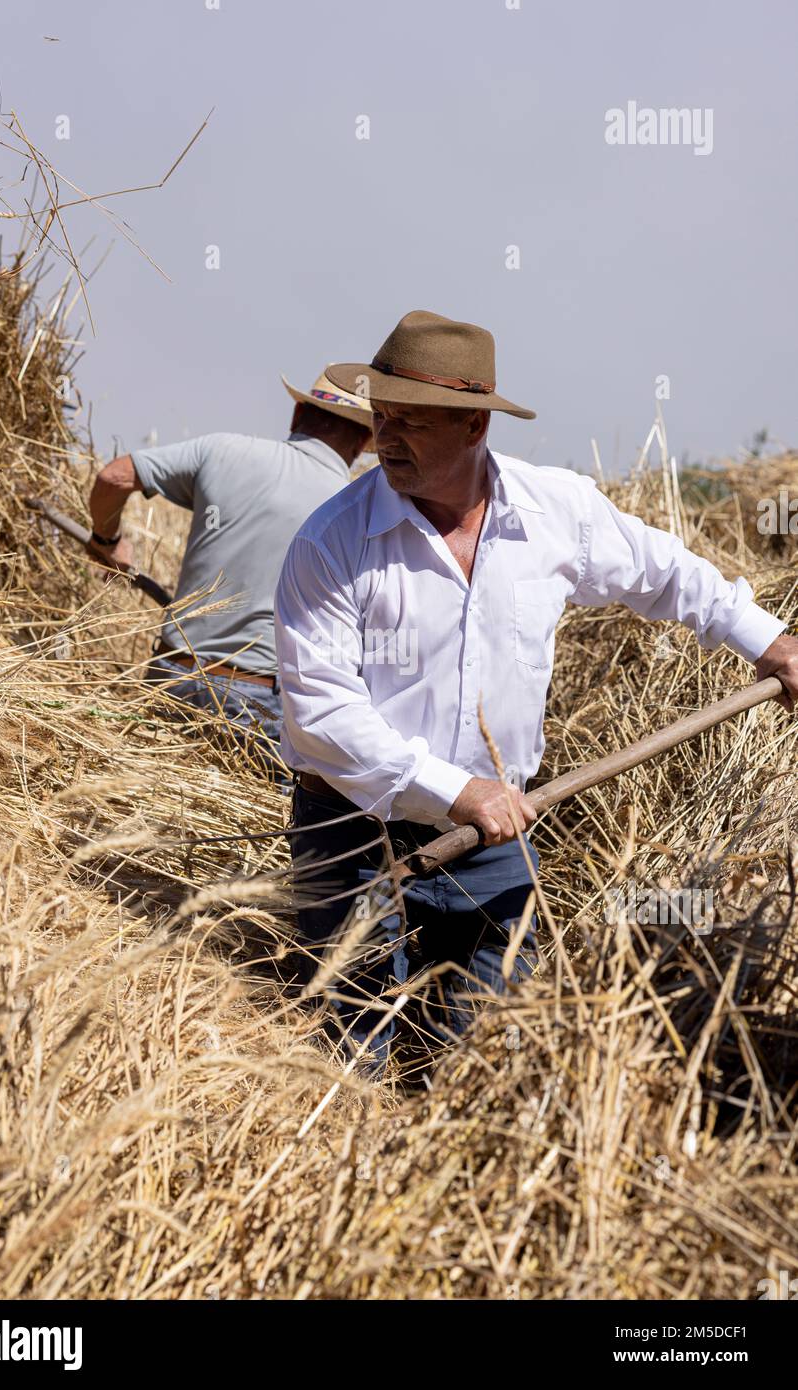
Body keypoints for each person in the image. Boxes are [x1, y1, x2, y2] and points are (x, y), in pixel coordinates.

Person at [275, 309, 798, 1071]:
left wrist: (769, 642)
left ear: (472, 427)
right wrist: (456, 789)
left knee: (483, 1053)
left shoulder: (556, 510)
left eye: (410, 422)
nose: (384, 438)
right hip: (353, 834)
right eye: (380, 417)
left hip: (494, 842)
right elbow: (320, 712)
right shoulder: (330, 542)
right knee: (348, 1058)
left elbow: (668, 575)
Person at [86, 370, 372, 767]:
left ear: (297, 414)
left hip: (173, 674)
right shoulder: (356, 509)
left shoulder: (221, 450)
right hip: (256, 703)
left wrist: (106, 540)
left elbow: (113, 477)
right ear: (364, 442)